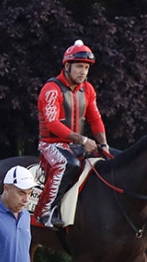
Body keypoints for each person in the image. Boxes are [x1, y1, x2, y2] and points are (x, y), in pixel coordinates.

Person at [35, 40, 109, 227]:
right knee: (67, 164)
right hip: (51, 144)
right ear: (67, 66)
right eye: (79, 67)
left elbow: (95, 119)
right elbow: (53, 125)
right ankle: (44, 212)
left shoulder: (88, 89)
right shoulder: (51, 89)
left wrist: (104, 144)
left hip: (77, 145)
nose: (83, 72)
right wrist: (84, 140)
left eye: (86, 67)